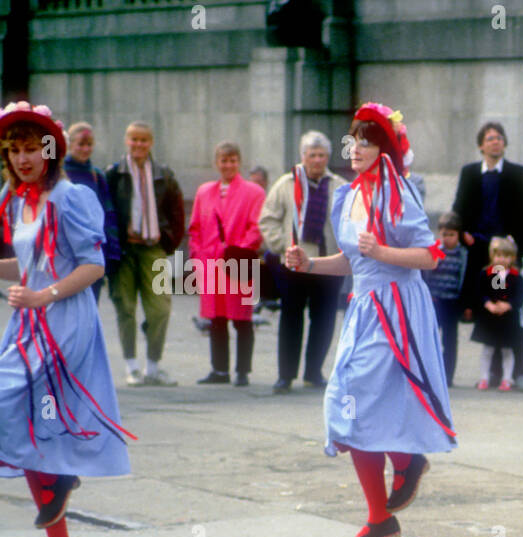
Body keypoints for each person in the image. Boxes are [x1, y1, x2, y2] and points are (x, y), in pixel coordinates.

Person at [283, 102, 455, 537]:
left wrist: (381, 253)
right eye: (352, 139)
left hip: (397, 309)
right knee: (350, 405)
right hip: (364, 307)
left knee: (353, 401)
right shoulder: (349, 194)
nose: (354, 148)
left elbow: (429, 256)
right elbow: (352, 261)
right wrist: (309, 264)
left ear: (385, 148)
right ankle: (382, 510)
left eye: (366, 140)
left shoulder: (398, 193)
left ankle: (401, 469)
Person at [0, 102, 132, 537]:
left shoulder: (70, 197)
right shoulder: (17, 199)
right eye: (14, 150)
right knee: (27, 420)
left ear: (51, 150)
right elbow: (30, 260)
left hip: (66, 320)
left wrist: (43, 296)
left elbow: (92, 265)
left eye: (32, 148)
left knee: (14, 406)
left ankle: (58, 483)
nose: (22, 158)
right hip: (29, 321)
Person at [259, 131, 349, 393]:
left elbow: (349, 222)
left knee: (324, 319)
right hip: (294, 264)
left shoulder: (339, 186)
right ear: (303, 156)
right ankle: (285, 375)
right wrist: (284, 247)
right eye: (312, 155)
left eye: (322, 155)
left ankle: (313, 372)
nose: (318, 160)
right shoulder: (286, 184)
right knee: (291, 317)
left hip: (328, 263)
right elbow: (267, 219)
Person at [451, 122, 523, 389]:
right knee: (488, 311)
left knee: (512, 309)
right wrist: (462, 233)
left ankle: (519, 371)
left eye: (499, 138)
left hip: (508, 256)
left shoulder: (518, 174)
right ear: (481, 145)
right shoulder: (469, 173)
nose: (495, 142)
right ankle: (493, 372)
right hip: (480, 254)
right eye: (489, 139)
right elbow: (458, 210)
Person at [105, 121, 185, 387]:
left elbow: (177, 212)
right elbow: (105, 211)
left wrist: (169, 242)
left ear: (151, 143)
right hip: (124, 252)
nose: (138, 145)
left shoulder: (164, 174)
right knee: (125, 307)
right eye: (133, 140)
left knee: (160, 308)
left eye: (143, 140)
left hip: (154, 249)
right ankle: (132, 367)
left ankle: (153, 367)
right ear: (126, 141)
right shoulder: (114, 174)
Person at [189, 141, 265, 386]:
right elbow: (195, 228)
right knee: (216, 318)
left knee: (242, 319)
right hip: (210, 261)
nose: (228, 165)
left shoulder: (254, 192)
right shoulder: (204, 192)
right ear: (216, 163)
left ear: (239, 162)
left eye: (233, 160)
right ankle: (219, 370)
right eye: (224, 160)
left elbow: (257, 226)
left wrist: (240, 248)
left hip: (238, 260)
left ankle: (242, 371)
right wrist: (198, 253)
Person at [61, 122, 120, 304]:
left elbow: (108, 214)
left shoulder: (97, 175)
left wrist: (112, 251)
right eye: (81, 144)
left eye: (89, 144)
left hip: (92, 251)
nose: (85, 149)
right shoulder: (60, 172)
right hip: (65, 250)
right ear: (70, 144)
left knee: (90, 305)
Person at [469, 236, 523, 390]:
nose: (502, 259)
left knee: (507, 350)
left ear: (512, 258)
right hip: (489, 318)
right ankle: (484, 378)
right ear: (492, 256)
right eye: (499, 255)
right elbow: (479, 293)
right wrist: (488, 304)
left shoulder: (516, 276)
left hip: (508, 319)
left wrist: (508, 305)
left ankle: (507, 379)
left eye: (506, 256)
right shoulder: (486, 273)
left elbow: (520, 296)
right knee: (488, 349)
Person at [423, 212, 469, 386]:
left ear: (458, 235)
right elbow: (425, 273)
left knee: (450, 341)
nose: (447, 238)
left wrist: (464, 304)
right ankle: (430, 374)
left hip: (452, 302)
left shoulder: (462, 254)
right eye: (444, 234)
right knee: (431, 338)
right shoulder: (435, 251)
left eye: (451, 235)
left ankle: (448, 376)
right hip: (435, 301)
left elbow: (463, 279)